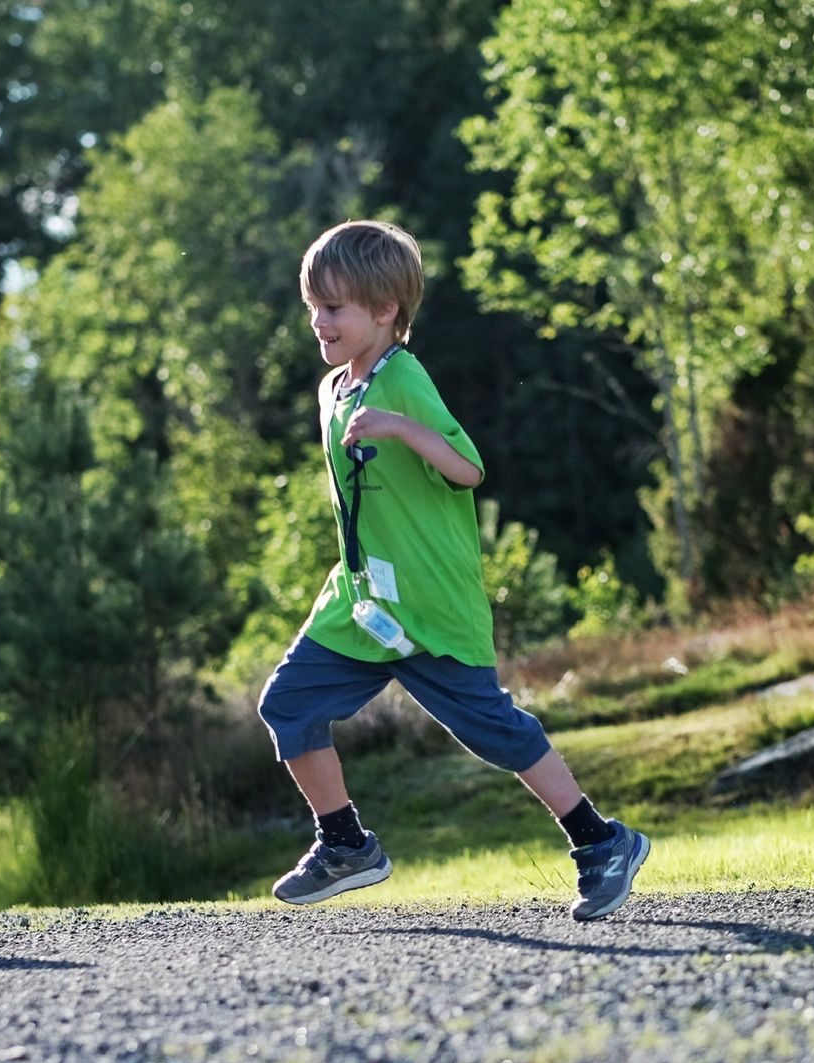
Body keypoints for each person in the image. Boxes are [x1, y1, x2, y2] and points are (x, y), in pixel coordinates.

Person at [256, 219, 651, 922]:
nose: (318, 322)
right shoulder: (333, 389)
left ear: (385, 311)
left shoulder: (403, 379)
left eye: (335, 307)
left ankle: (601, 841)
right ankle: (345, 843)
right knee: (288, 703)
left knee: (493, 730)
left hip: (430, 601)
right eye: (312, 306)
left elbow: (467, 468)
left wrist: (402, 428)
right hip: (361, 600)